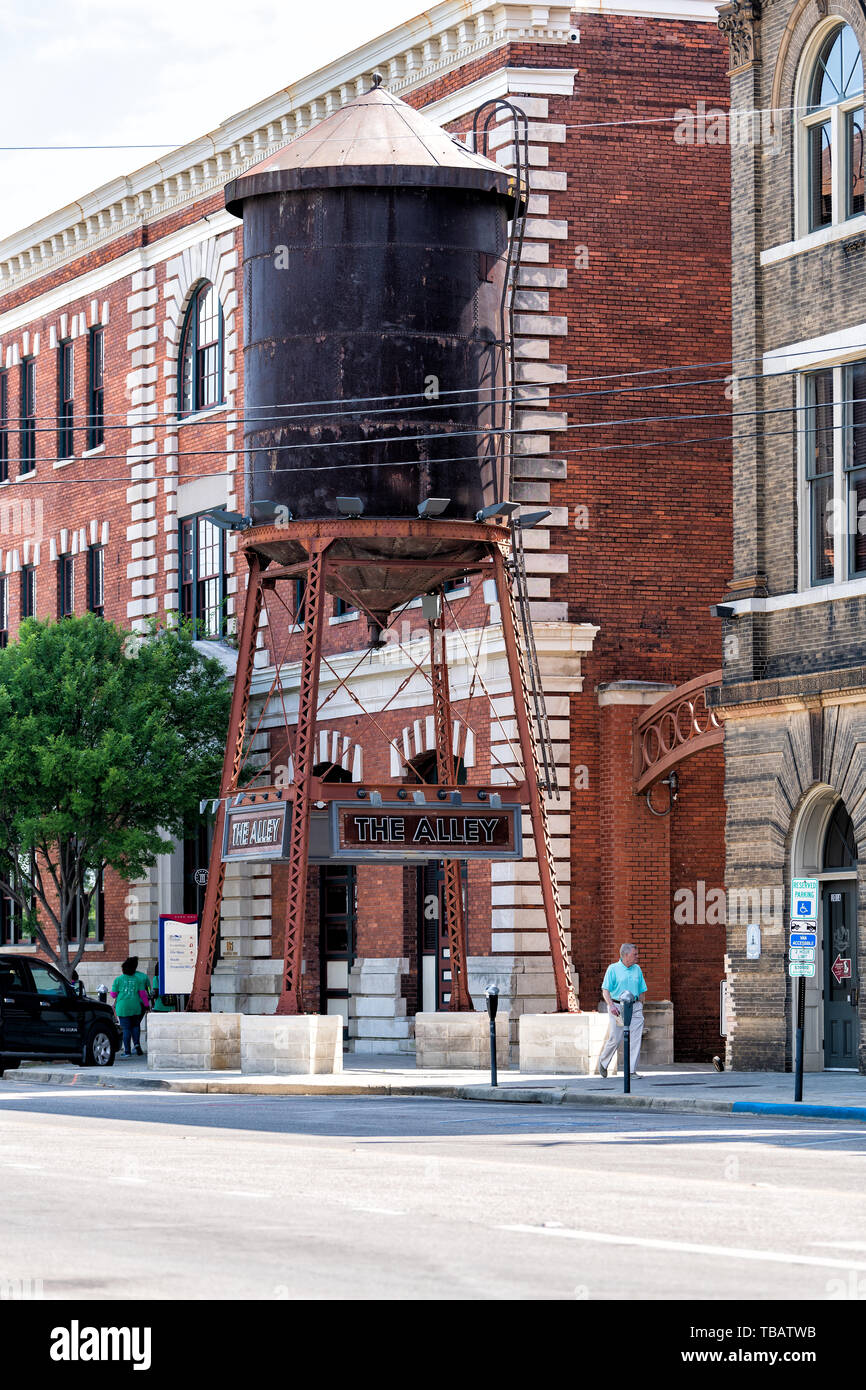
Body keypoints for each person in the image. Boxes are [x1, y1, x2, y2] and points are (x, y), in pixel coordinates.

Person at [597, 942, 648, 1080]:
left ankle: (631, 1071)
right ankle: (603, 1062)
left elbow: (642, 990)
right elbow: (605, 990)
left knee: (636, 1039)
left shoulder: (637, 969)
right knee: (616, 1037)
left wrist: (641, 1006)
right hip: (617, 1007)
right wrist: (611, 1005)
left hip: (635, 1006)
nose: (637, 957)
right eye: (634, 954)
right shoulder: (613, 969)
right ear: (625, 955)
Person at [110, 956, 150, 1056]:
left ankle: (127, 1051)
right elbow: (143, 994)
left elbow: (113, 994)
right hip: (136, 1006)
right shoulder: (138, 979)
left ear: (123, 969)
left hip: (123, 1007)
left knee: (126, 1028)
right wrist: (146, 1005)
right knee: (136, 1026)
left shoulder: (118, 980)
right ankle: (136, 1044)